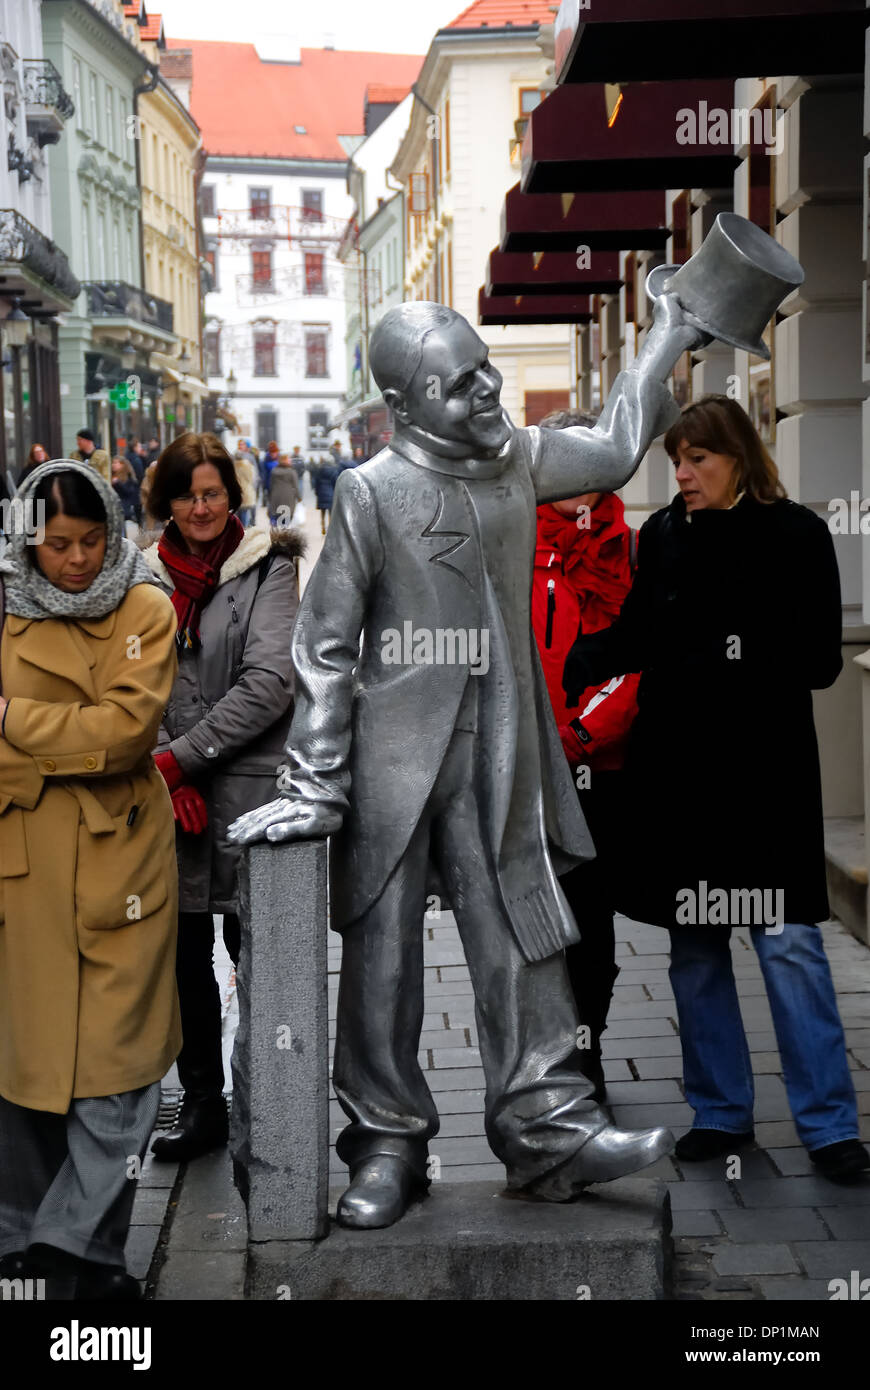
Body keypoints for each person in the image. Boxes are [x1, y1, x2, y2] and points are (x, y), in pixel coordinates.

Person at [228, 295, 704, 1230]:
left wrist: (671, 334)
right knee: (383, 960)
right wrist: (319, 781)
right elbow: (325, 644)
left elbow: (614, 445)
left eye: (485, 367)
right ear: (407, 407)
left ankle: (550, 1130)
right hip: (395, 761)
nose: (488, 390)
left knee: (524, 936)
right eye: (460, 384)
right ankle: (387, 1145)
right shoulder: (368, 490)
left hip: (503, 750)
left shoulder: (521, 459)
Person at [563, 394, 870, 1183]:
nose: (684, 473)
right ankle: (721, 1111)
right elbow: (637, 632)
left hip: (765, 785)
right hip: (682, 786)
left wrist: (716, 664)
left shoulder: (796, 534)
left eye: (698, 458)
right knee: (694, 952)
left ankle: (831, 1127)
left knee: (789, 948)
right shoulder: (664, 534)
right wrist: (580, 659)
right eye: (676, 460)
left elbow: (819, 661)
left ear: (739, 458)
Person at [0, 458, 180, 1298]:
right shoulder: (3, 610)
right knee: (29, 1072)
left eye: (91, 540)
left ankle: (65, 1239)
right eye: (58, 545)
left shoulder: (145, 605)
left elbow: (125, 733)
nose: (75, 561)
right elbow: (91, 736)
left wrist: (13, 726)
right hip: (22, 869)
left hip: (121, 865)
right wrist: (63, 750)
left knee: (117, 1070)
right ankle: (72, 1260)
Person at [140, 432, 303, 1163]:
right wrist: (161, 770)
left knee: (256, 952)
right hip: (163, 803)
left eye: (211, 493)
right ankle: (203, 1103)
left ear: (230, 496)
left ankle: (269, 1107)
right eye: (186, 494)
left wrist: (180, 760)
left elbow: (269, 683)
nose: (200, 508)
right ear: (165, 502)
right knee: (178, 960)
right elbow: (131, 686)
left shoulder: (269, 566)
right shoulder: (140, 578)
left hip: (246, 799)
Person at [531, 408, 641, 1102]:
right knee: (535, 926)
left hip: (599, 769)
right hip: (528, 774)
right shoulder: (513, 547)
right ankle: (543, 1058)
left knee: (592, 928)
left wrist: (581, 737)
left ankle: (588, 1052)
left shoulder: (626, 548)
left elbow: (636, 661)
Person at [267, 452, 300, 528]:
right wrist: (299, 498)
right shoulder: (292, 472)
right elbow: (296, 486)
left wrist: (269, 497)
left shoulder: (274, 471)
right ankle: (283, 534)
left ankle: (276, 532)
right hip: (288, 499)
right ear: (285, 460)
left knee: (276, 517)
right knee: (286, 522)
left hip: (275, 498)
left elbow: (270, 485)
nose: (290, 461)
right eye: (289, 460)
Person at [111, 455, 142, 536]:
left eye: (115, 463)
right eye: (113, 463)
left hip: (124, 510)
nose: (113, 465)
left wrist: (118, 484)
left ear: (123, 464)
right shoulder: (111, 475)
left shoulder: (128, 477)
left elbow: (129, 492)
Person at [312, 452, 339, 534]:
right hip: (331, 493)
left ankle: (323, 524)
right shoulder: (334, 471)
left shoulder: (320, 470)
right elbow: (335, 482)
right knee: (331, 512)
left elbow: (316, 482)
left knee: (322, 511)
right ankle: (330, 527)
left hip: (321, 494)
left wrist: (317, 492)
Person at [232, 449, 257, 527]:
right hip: (246, 491)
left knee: (238, 513)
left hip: (236, 492)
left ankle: (239, 529)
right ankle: (244, 529)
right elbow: (252, 479)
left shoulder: (232, 467)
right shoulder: (248, 466)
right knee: (245, 511)